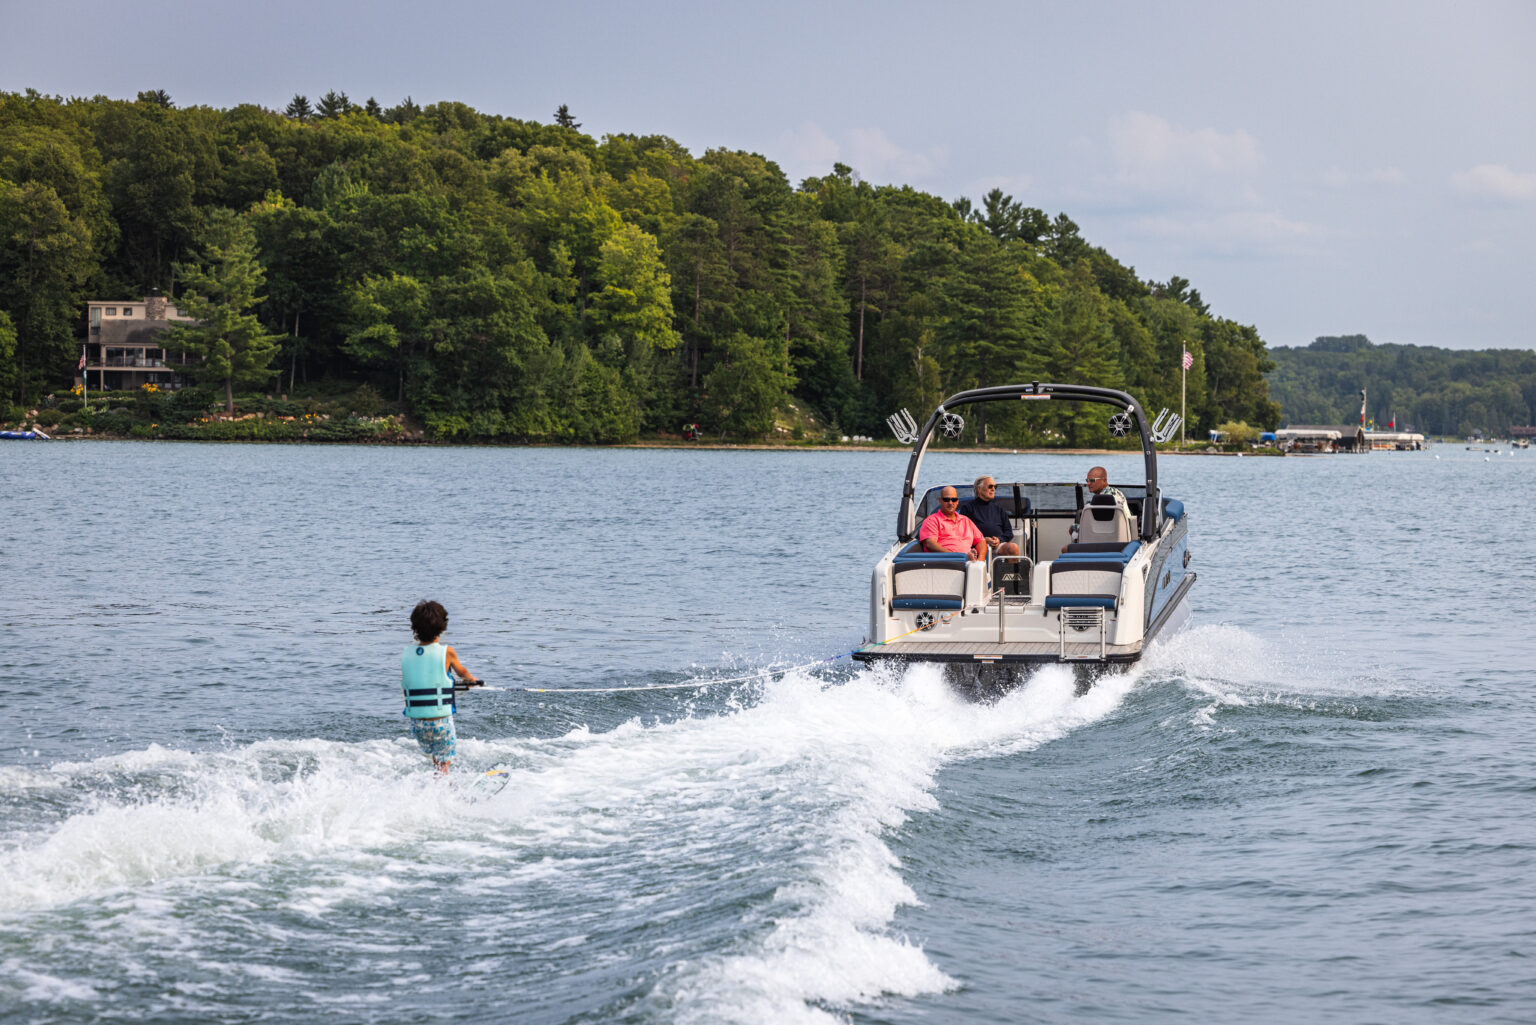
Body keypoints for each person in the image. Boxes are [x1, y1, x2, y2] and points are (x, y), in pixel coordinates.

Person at [401, 600, 478, 774]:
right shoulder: (447, 652)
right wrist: (472, 680)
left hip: (417, 724)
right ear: (443, 627)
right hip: (440, 722)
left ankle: (440, 784)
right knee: (444, 764)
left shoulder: (406, 654)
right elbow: (463, 673)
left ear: (415, 628)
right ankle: (444, 789)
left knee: (437, 760)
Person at [958, 476, 1020, 559]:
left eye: (995, 487)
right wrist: (983, 540)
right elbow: (963, 533)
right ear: (979, 489)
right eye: (990, 486)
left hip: (997, 545)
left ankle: (1013, 568)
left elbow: (1009, 532)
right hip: (976, 545)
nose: (993, 489)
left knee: (1012, 548)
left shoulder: (999, 509)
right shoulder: (967, 508)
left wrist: (999, 540)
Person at [919, 486, 985, 561]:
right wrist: (959, 557)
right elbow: (930, 544)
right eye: (946, 500)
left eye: (954, 500)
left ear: (957, 502)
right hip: (946, 563)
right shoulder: (931, 520)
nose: (950, 503)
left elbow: (981, 541)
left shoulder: (966, 520)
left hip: (969, 562)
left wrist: (981, 559)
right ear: (940, 501)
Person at [1070, 466, 1132, 543]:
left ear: (1104, 480)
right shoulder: (1118, 492)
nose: (1088, 483)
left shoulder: (1101, 500)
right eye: (1087, 480)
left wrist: (1074, 527)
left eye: (1092, 480)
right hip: (1123, 537)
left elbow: (1098, 527)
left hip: (1106, 539)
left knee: (1066, 547)